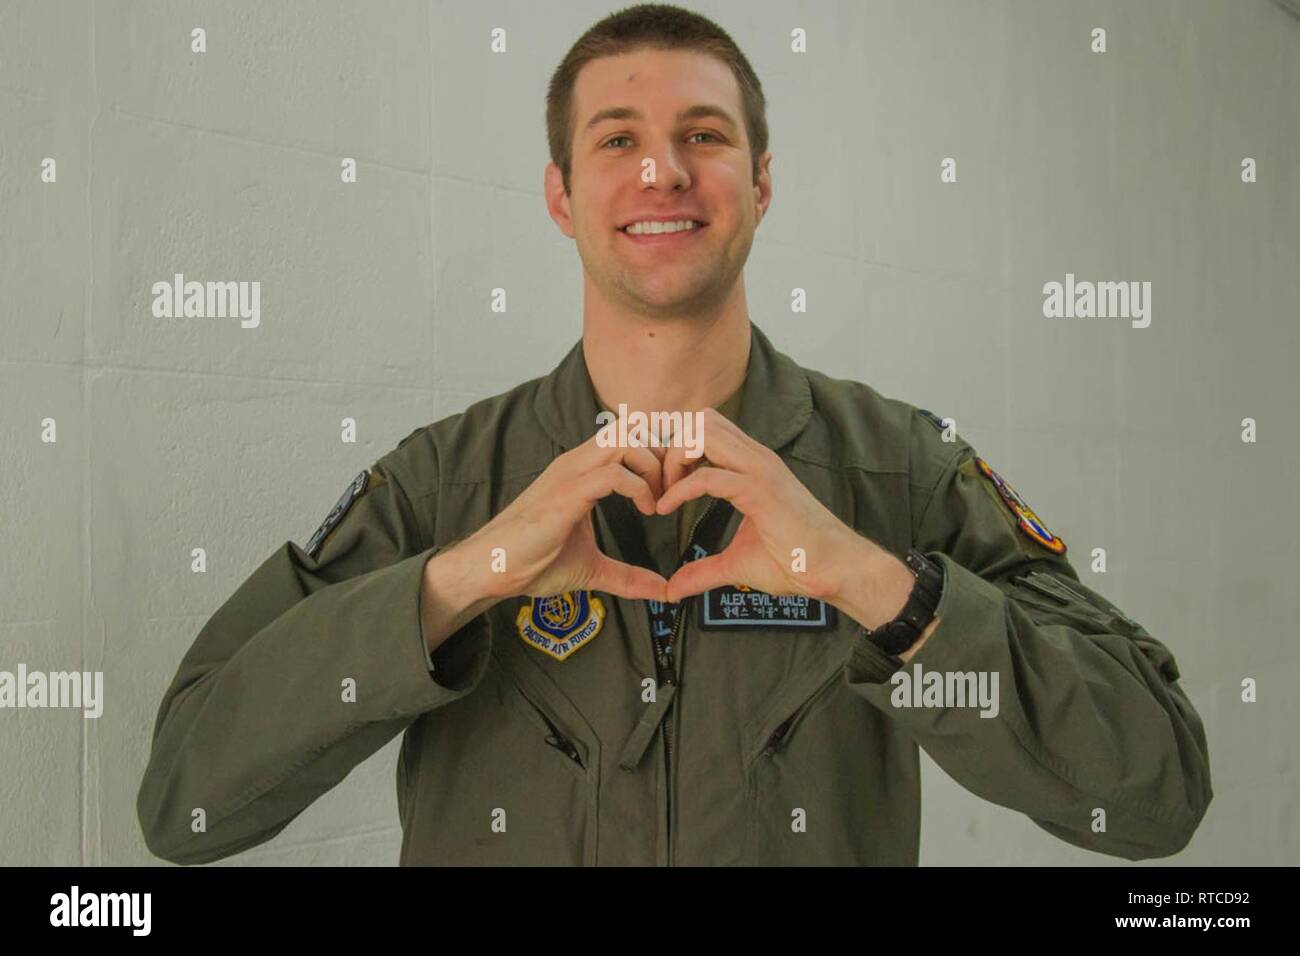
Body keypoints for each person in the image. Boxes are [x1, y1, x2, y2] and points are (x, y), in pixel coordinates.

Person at [137, 3, 1211, 866]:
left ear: (760, 185)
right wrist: (453, 584)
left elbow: (1156, 794)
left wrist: (879, 586)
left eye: (704, 135)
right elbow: (186, 802)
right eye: (618, 141)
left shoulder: (905, 470)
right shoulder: (441, 484)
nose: (662, 173)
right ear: (561, 197)